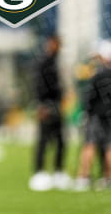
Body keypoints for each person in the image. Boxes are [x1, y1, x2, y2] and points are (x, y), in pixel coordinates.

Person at [73, 42, 111, 191]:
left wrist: (86, 112)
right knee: (109, 147)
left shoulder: (98, 75)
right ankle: (108, 178)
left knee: (89, 145)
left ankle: (84, 177)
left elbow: (89, 97)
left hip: (96, 115)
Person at [31, 35, 66, 188]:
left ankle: (58, 172)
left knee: (60, 141)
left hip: (56, 106)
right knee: (43, 140)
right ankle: (39, 173)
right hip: (46, 106)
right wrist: (40, 105)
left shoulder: (56, 62)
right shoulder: (44, 62)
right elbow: (39, 85)